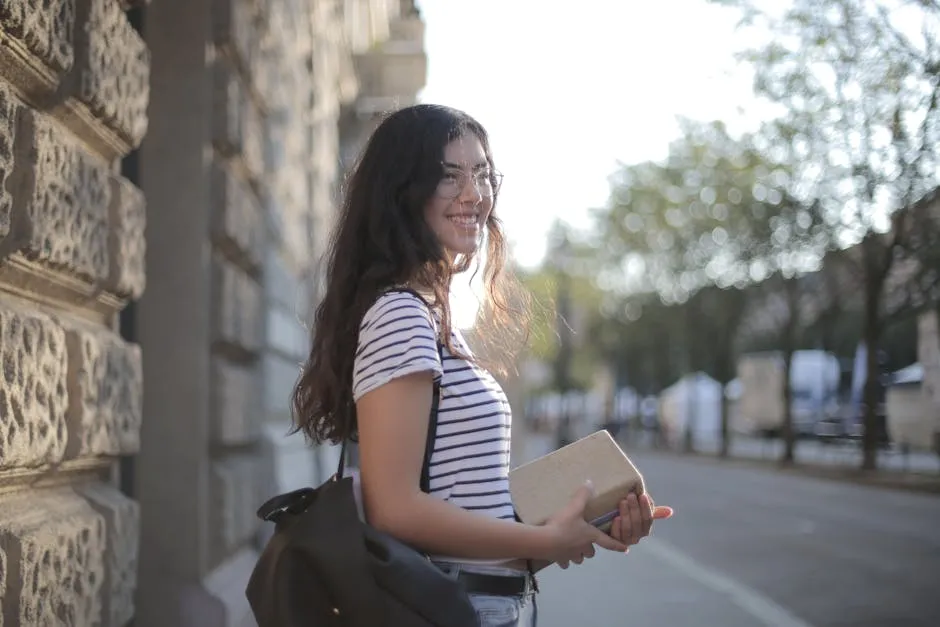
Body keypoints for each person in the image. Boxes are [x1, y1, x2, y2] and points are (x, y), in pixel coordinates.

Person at [290, 104, 673, 626]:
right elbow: (394, 508)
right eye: (449, 177)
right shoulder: (402, 314)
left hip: (485, 602)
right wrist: (541, 539)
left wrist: (585, 523)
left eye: (482, 174)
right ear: (403, 191)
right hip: (449, 608)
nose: (473, 193)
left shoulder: (434, 321)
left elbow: (467, 508)